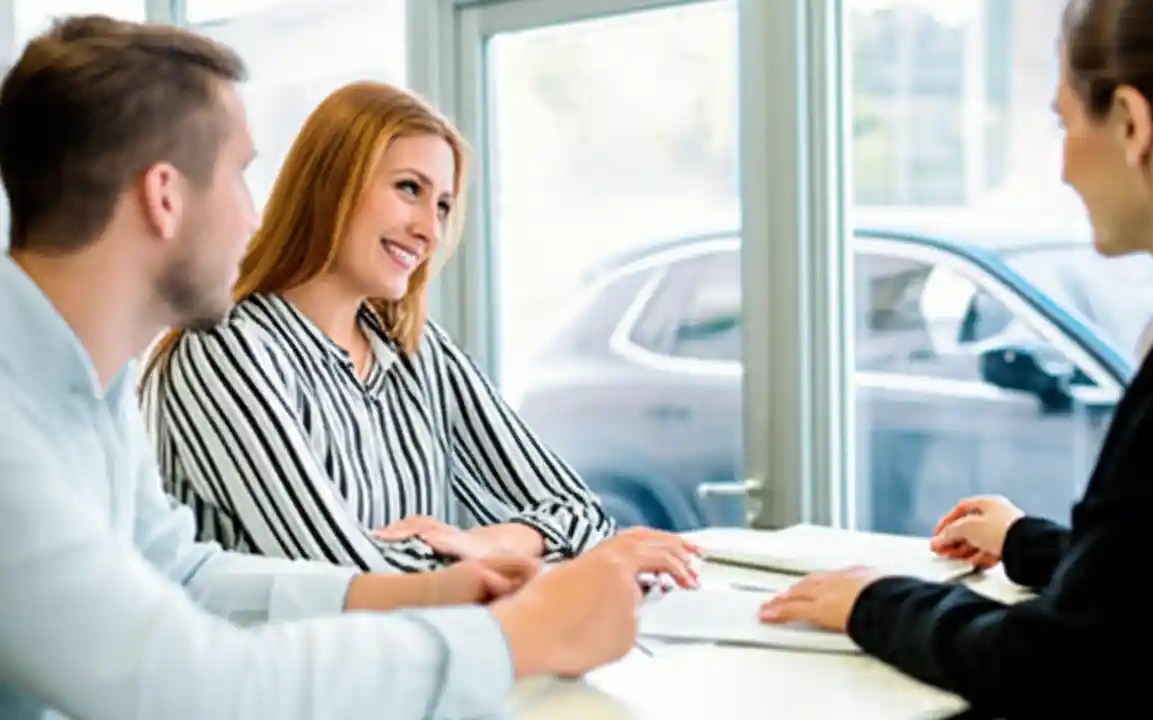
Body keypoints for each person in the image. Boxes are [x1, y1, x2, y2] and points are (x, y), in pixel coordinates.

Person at [0, 15, 699, 720]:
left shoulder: (95, 386)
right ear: (165, 196)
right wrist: (510, 637)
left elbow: (182, 570)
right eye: (240, 178)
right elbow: (189, 684)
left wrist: (425, 591)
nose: (252, 218)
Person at [758, 0, 1153, 716]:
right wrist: (1029, 545)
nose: (1063, 169)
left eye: (1065, 123)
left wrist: (871, 603)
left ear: (1132, 122)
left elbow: (1060, 663)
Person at [138, 80, 613, 573]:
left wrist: (485, 546)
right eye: (410, 189)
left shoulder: (418, 353)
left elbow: (583, 515)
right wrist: (476, 554)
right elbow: (341, 574)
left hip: (407, 644)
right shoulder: (224, 350)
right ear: (332, 184)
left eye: (443, 206)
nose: (430, 230)